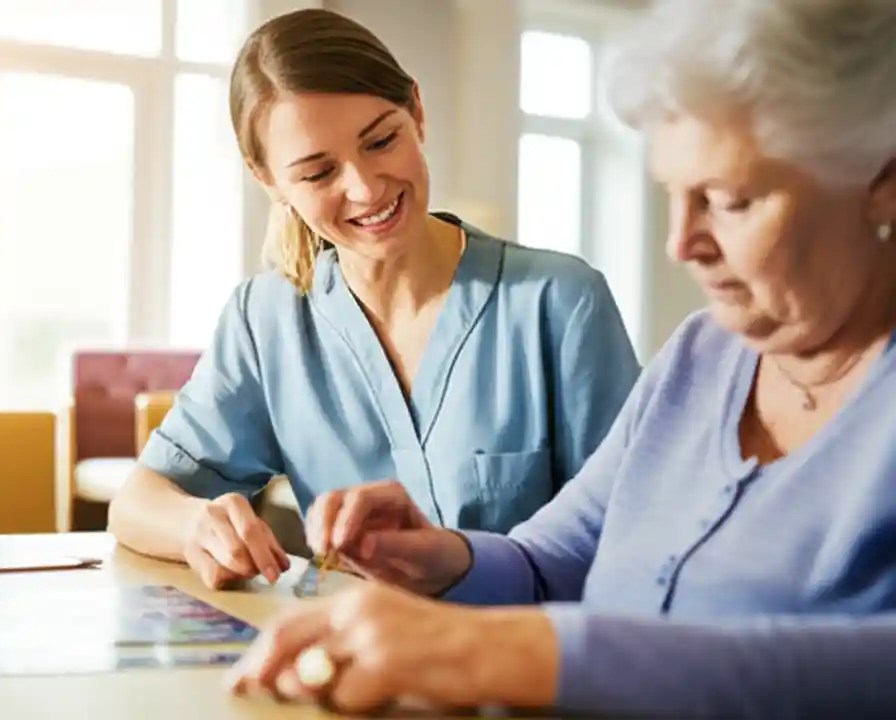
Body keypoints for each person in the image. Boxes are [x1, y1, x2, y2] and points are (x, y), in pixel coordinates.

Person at [227, 0, 896, 716]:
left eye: (730, 201)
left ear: (881, 182)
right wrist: (442, 555)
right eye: (673, 194)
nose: (681, 243)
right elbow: (558, 557)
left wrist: (503, 652)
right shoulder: (703, 356)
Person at [108, 9, 640, 590]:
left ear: (417, 111)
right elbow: (137, 502)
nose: (365, 188)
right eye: (317, 173)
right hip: (355, 666)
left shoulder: (559, 304)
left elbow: (639, 540)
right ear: (268, 181)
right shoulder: (267, 321)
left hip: (531, 671)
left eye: (382, 140)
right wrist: (195, 524)